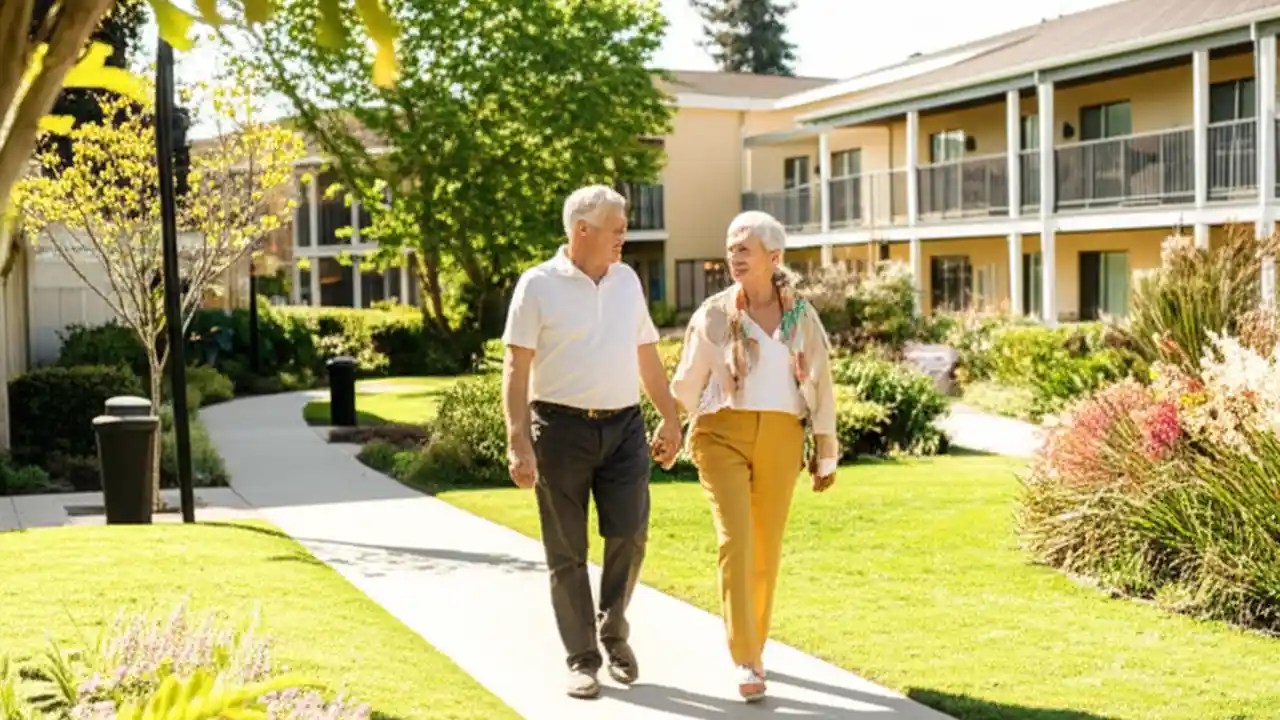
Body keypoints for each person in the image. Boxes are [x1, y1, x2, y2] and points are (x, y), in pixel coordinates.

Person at [501, 184, 682, 700]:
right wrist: (519, 440)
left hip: (624, 427)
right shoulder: (537, 285)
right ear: (583, 230)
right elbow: (516, 369)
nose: (625, 235)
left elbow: (647, 356)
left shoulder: (626, 280)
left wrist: (669, 419)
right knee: (567, 551)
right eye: (617, 228)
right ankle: (582, 659)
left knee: (630, 533)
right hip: (559, 429)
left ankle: (613, 631)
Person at [670, 210, 839, 703]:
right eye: (730, 247)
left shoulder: (801, 317)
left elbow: (821, 384)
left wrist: (825, 447)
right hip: (721, 434)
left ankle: (755, 648)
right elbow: (687, 382)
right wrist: (671, 420)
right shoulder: (715, 313)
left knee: (766, 549)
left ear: (774, 257)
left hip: (782, 436)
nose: (734, 255)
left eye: (744, 247)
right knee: (737, 541)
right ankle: (745, 657)